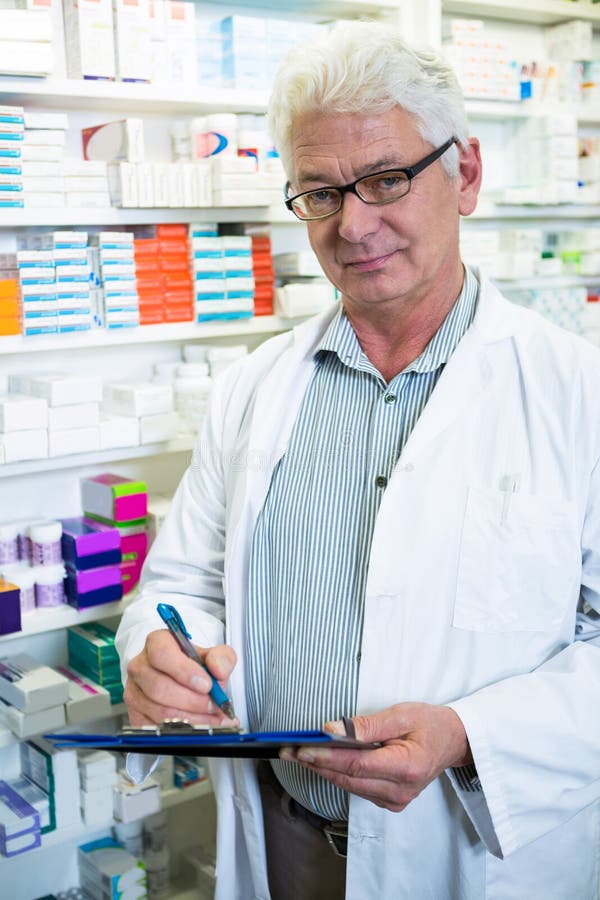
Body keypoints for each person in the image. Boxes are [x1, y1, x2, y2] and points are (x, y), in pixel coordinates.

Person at [116, 20, 600, 900]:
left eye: (385, 179)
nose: (355, 224)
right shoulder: (254, 387)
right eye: (321, 193)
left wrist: (467, 733)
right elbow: (180, 580)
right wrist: (161, 647)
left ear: (468, 176)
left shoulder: (579, 392)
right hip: (287, 844)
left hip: (478, 854)